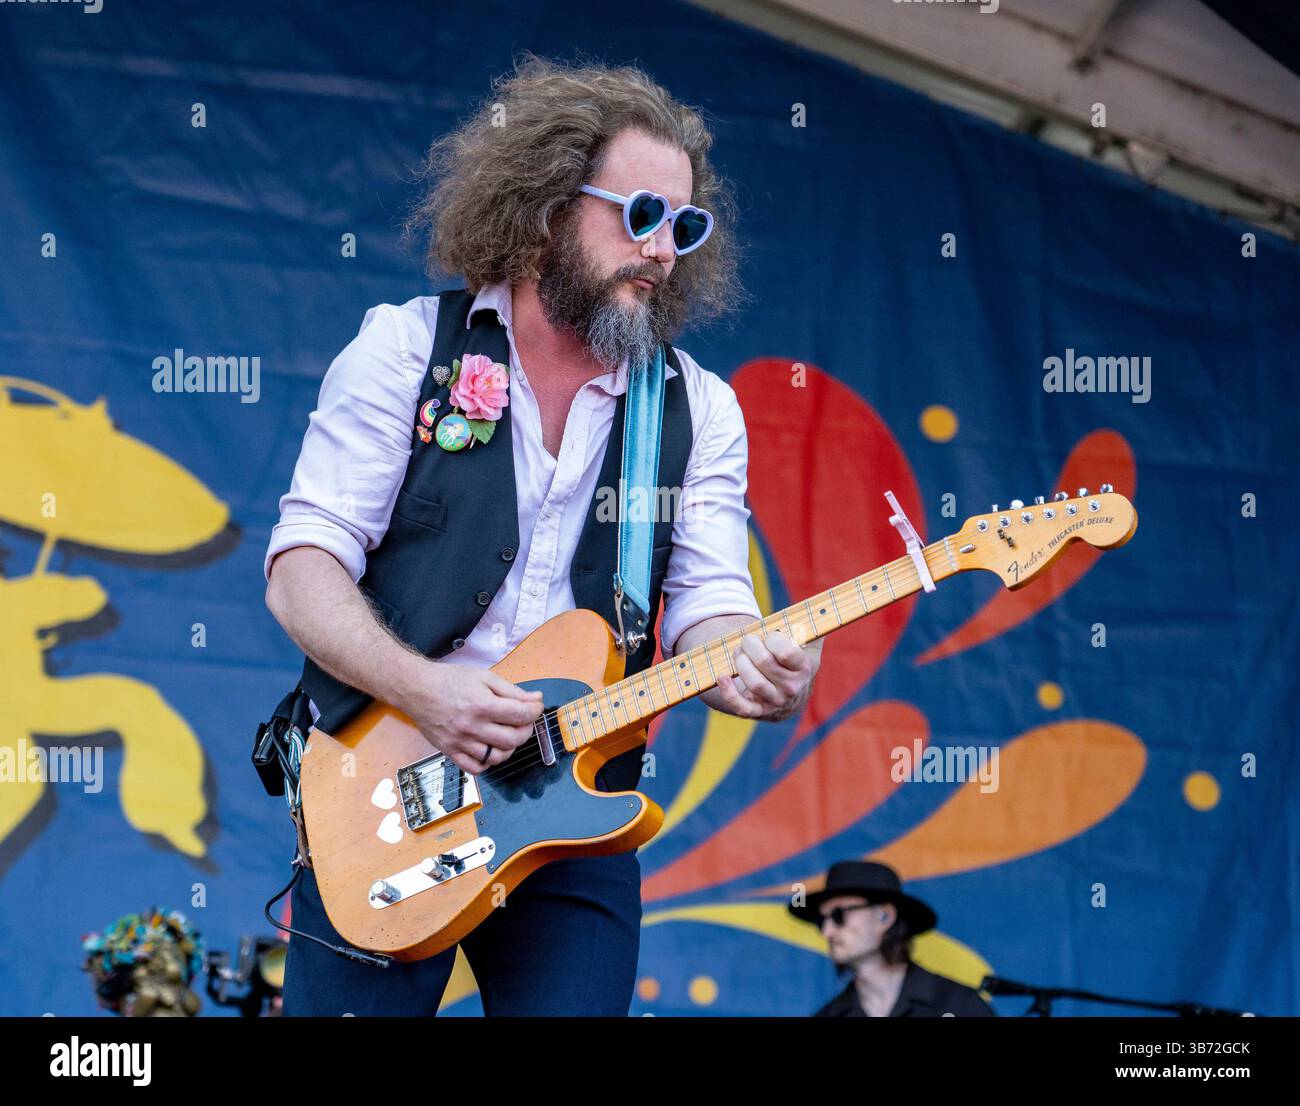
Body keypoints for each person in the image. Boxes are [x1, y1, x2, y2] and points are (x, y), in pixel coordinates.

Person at [263, 54, 822, 1016]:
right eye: (639, 215)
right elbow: (302, 571)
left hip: (577, 805)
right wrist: (424, 691)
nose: (662, 250)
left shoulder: (700, 411)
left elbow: (708, 602)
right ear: (544, 208)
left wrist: (751, 665)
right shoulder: (405, 348)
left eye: (685, 227)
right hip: (386, 787)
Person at [790, 861, 994, 1017]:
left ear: (884, 916)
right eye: (821, 921)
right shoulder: (830, 1015)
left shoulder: (958, 1005)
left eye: (838, 916)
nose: (827, 931)